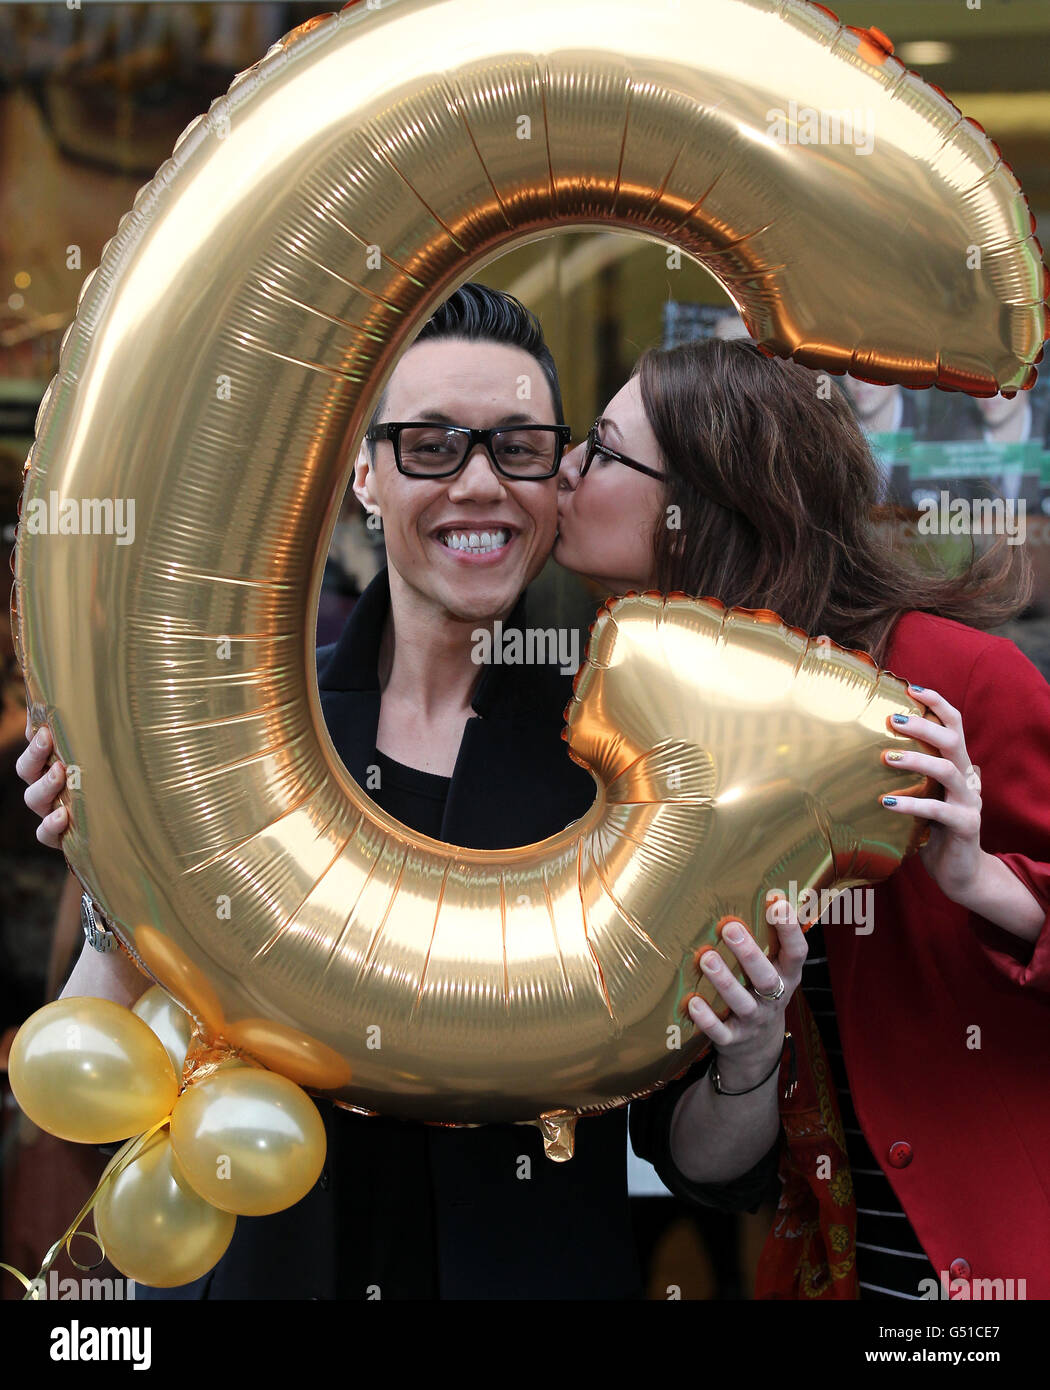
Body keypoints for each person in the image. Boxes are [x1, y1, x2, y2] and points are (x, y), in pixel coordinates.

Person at [15, 285, 806, 1299]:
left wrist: (750, 1052)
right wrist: (111, 868)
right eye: (431, 446)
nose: (480, 484)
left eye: (518, 447)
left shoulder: (631, 763)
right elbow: (92, 1071)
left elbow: (701, 1157)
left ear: (557, 480)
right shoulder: (227, 735)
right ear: (363, 472)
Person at [553, 336, 1050, 1300]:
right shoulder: (621, 737)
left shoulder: (951, 689)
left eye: (605, 451)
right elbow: (694, 1157)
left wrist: (987, 884)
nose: (568, 469)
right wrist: (746, 1059)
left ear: (700, 505)